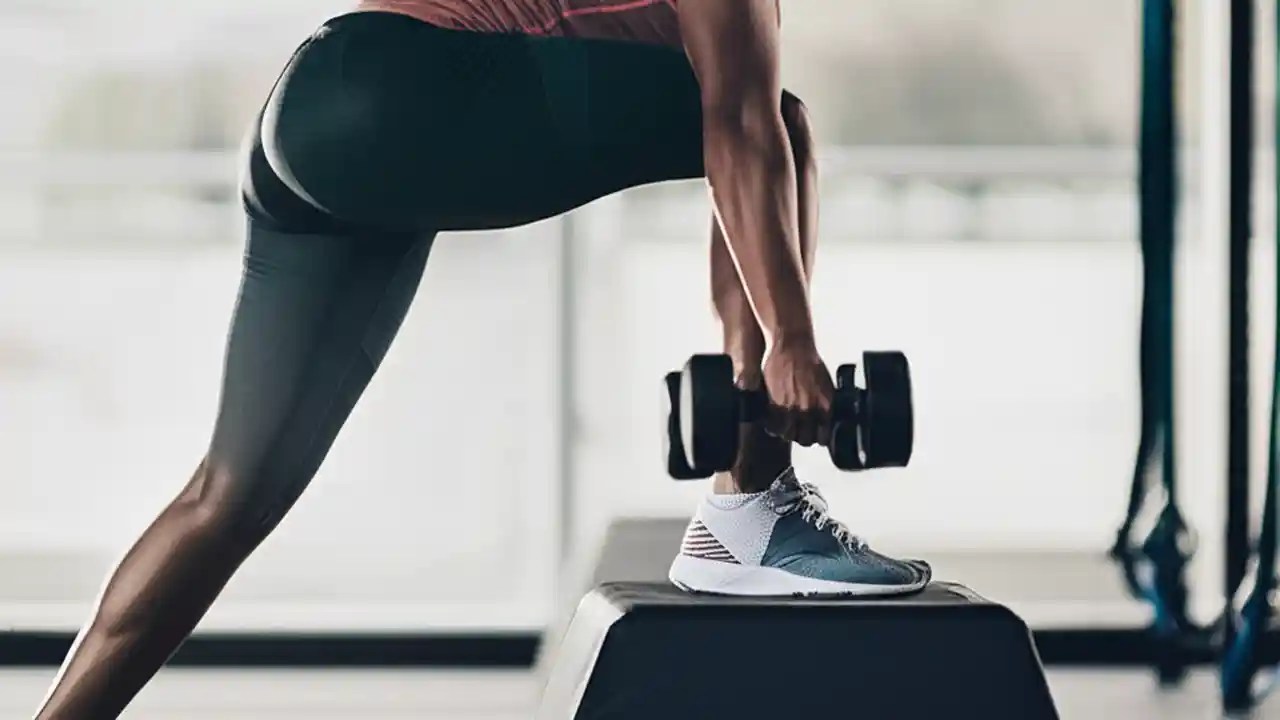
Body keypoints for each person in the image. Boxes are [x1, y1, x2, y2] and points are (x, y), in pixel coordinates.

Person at [33, 1, 930, 717]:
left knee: (225, 496)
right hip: (410, 96)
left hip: (309, 115)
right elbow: (738, 129)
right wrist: (792, 346)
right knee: (778, 118)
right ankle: (751, 507)